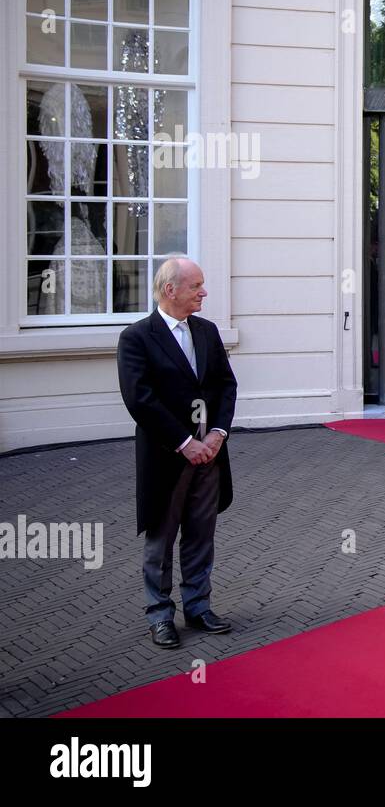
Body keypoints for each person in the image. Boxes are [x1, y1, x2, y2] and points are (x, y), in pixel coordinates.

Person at [117, 256, 238, 648]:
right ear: (171, 290)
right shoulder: (136, 337)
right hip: (166, 458)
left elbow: (225, 385)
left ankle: (199, 607)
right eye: (196, 286)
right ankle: (160, 615)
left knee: (202, 535)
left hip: (211, 456)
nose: (204, 292)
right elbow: (141, 400)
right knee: (161, 538)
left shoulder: (207, 331)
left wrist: (217, 434)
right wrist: (186, 444)